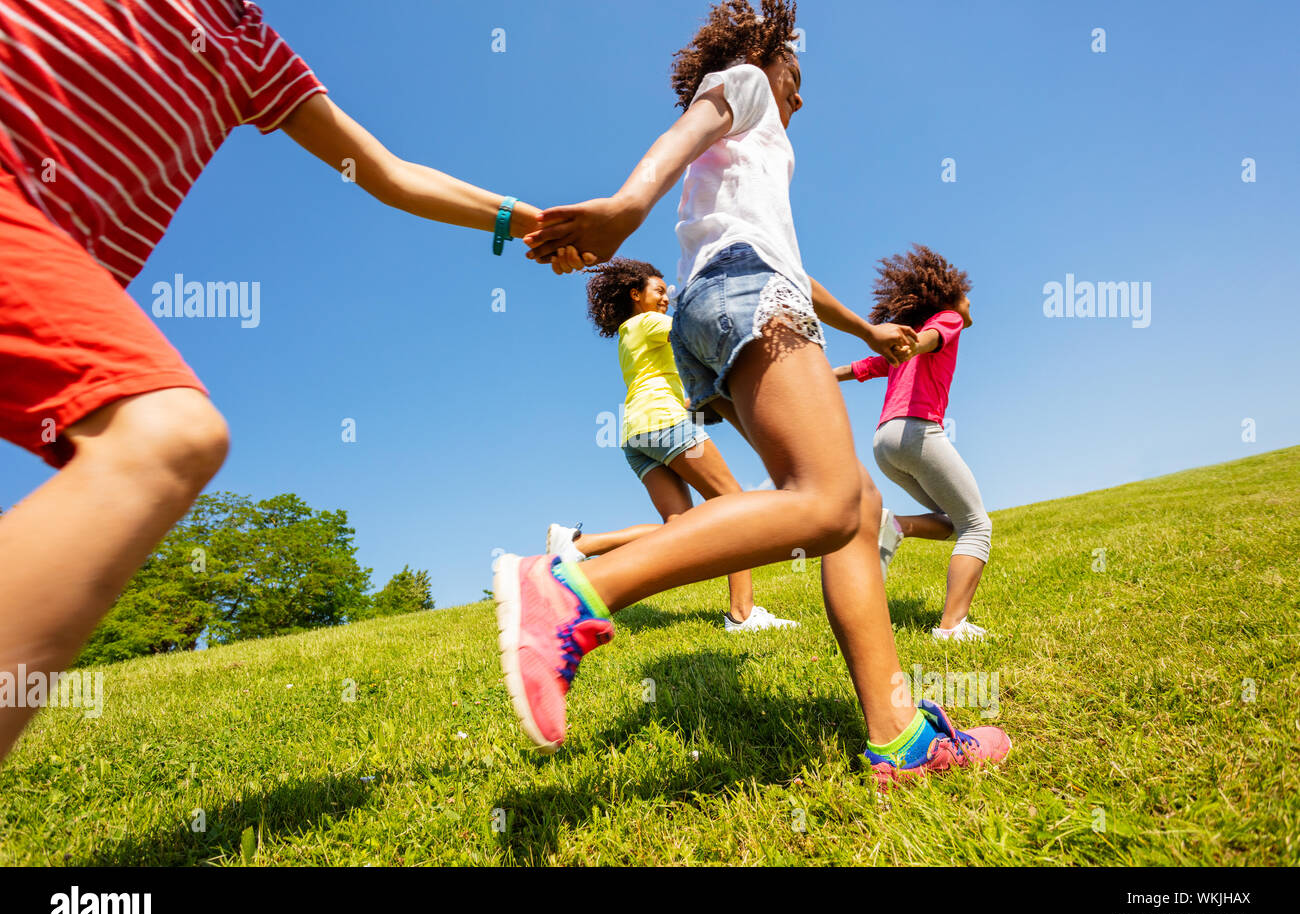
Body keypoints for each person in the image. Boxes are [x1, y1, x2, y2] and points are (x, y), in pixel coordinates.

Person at [0, 0, 582, 762]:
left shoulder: (254, 52)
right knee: (163, 436)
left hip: (40, 263)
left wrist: (525, 219)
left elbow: (389, 174)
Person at [494, 0, 1010, 784]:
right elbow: (694, 126)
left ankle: (897, 736)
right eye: (796, 76)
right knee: (830, 500)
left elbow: (790, 268)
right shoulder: (747, 86)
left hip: (728, 303)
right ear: (768, 59)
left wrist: (867, 335)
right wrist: (627, 206)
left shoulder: (749, 173)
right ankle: (577, 588)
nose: (800, 96)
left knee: (857, 511)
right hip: (748, 297)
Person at [545, 257, 796, 632]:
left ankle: (582, 544)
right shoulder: (648, 323)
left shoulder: (629, 334)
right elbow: (696, 332)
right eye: (659, 292)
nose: (666, 299)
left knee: (679, 527)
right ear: (635, 295)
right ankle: (742, 614)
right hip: (664, 423)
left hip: (636, 432)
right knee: (733, 505)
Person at [834, 245, 992, 641]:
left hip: (885, 443)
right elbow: (934, 339)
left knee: (954, 521)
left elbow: (860, 368)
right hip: (917, 432)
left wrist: (819, 374)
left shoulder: (900, 341)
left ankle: (895, 525)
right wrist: (916, 344)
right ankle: (952, 627)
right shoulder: (948, 317)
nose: (971, 302)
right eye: (966, 293)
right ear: (949, 293)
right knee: (977, 526)